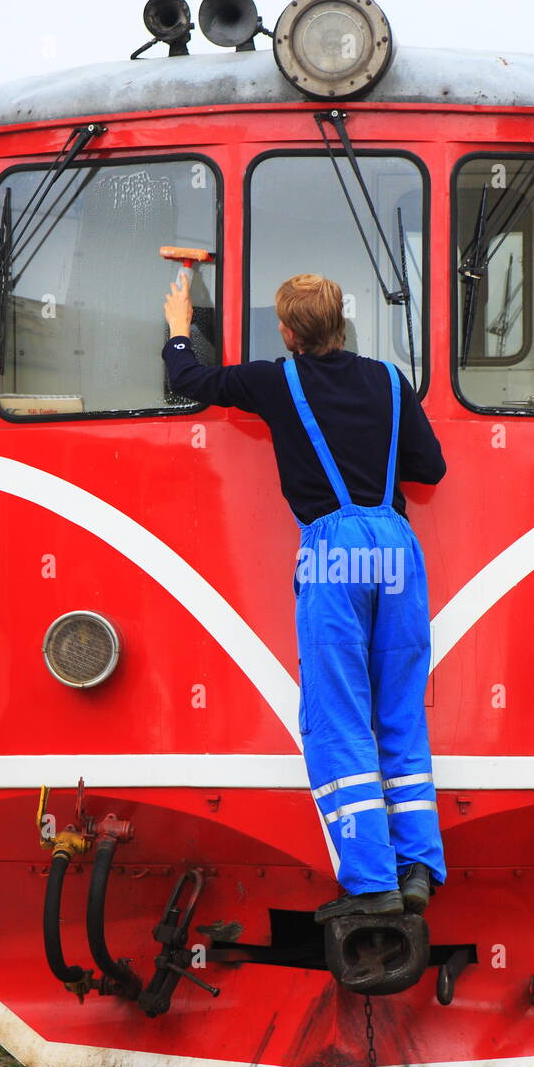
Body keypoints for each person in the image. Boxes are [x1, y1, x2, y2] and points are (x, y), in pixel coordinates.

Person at [162, 272, 446, 920]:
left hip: (335, 550)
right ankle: (418, 869)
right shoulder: (389, 382)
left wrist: (181, 327)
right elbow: (430, 469)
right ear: (342, 320)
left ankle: (371, 882)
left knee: (339, 716)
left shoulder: (276, 381)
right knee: (401, 711)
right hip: (397, 547)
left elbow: (192, 380)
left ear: (288, 332)